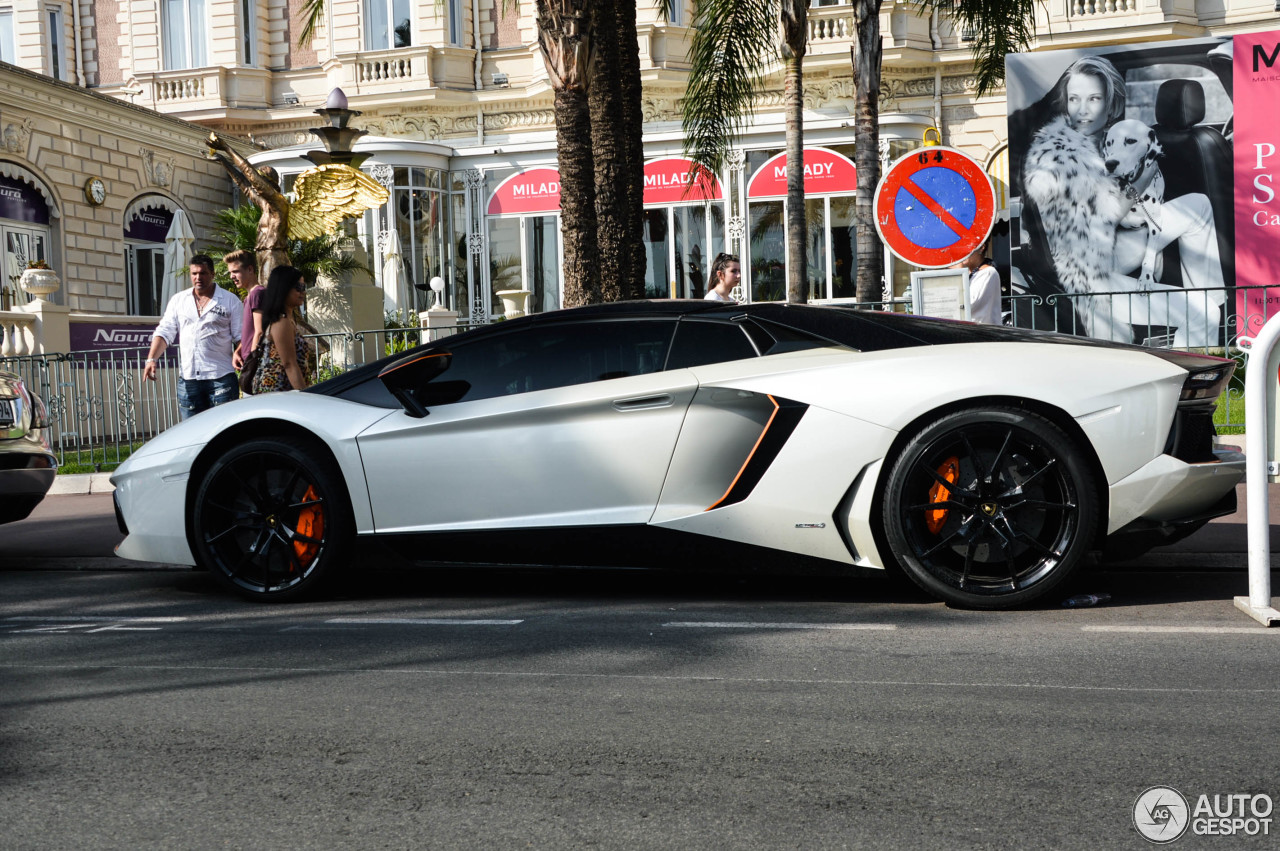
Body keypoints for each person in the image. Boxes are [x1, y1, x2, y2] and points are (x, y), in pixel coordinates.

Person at [1022, 55, 1222, 342]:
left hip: (1111, 249)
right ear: (1065, 103)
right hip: (1087, 275)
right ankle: (1192, 369)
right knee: (1203, 314)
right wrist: (1141, 180)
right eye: (1074, 99)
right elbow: (1108, 215)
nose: (1083, 109)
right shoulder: (1057, 155)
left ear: (1110, 103)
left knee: (1198, 205)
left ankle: (1218, 302)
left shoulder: (1105, 141)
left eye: (1094, 99)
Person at [143, 254, 244, 419]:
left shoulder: (230, 300)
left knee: (222, 430)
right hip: (188, 378)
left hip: (220, 377)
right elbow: (165, 331)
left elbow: (240, 336)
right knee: (190, 433)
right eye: (194, 274)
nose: (198, 278)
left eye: (203, 273)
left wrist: (239, 353)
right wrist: (151, 359)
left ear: (212, 274)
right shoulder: (178, 300)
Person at [253, 266, 316, 393]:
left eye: (304, 287)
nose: (303, 292)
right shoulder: (282, 322)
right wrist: (306, 397)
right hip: (279, 394)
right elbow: (289, 364)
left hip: (283, 393)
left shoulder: (287, 319)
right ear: (283, 289)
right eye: (299, 287)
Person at [226, 249, 265, 367]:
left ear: (250, 269)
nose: (232, 276)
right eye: (230, 272)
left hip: (256, 363)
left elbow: (259, 332)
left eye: (236, 271)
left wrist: (251, 364)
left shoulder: (257, 293)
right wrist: (238, 352)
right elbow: (249, 333)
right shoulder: (249, 297)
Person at [960, 248, 1001, 325]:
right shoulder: (969, 273)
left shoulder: (988, 272)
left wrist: (957, 273)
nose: (962, 252)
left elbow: (968, 304)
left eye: (966, 247)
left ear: (981, 247)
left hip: (983, 331)